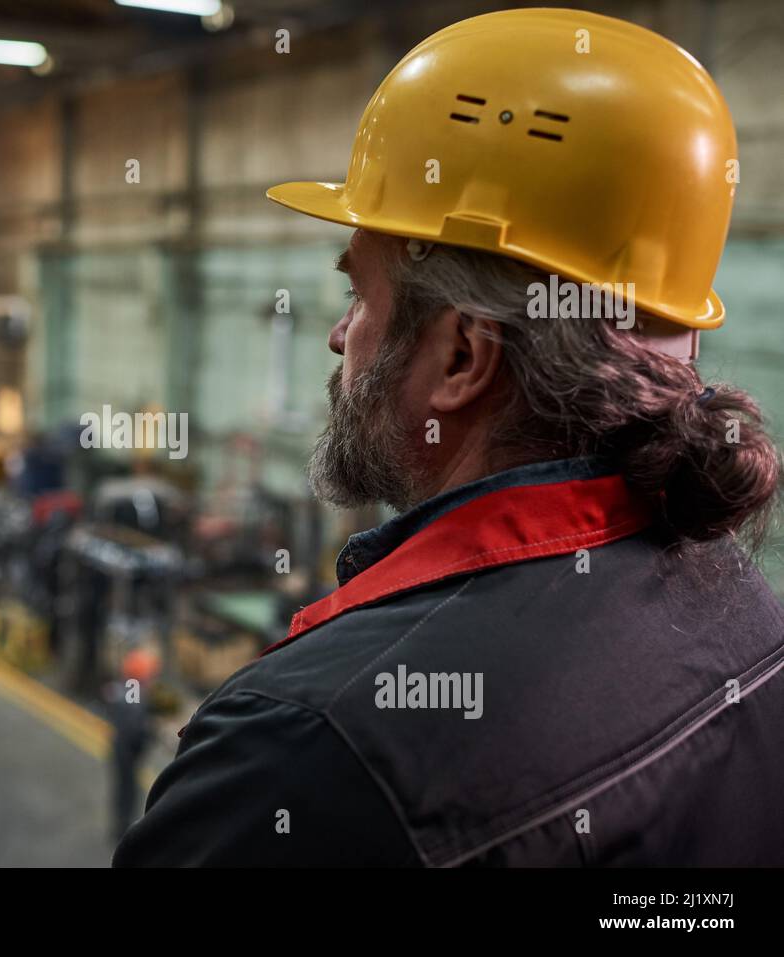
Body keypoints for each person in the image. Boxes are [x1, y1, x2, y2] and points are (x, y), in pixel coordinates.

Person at [114, 8, 784, 867]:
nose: (337, 334)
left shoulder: (307, 753)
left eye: (359, 294)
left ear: (462, 354)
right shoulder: (747, 620)